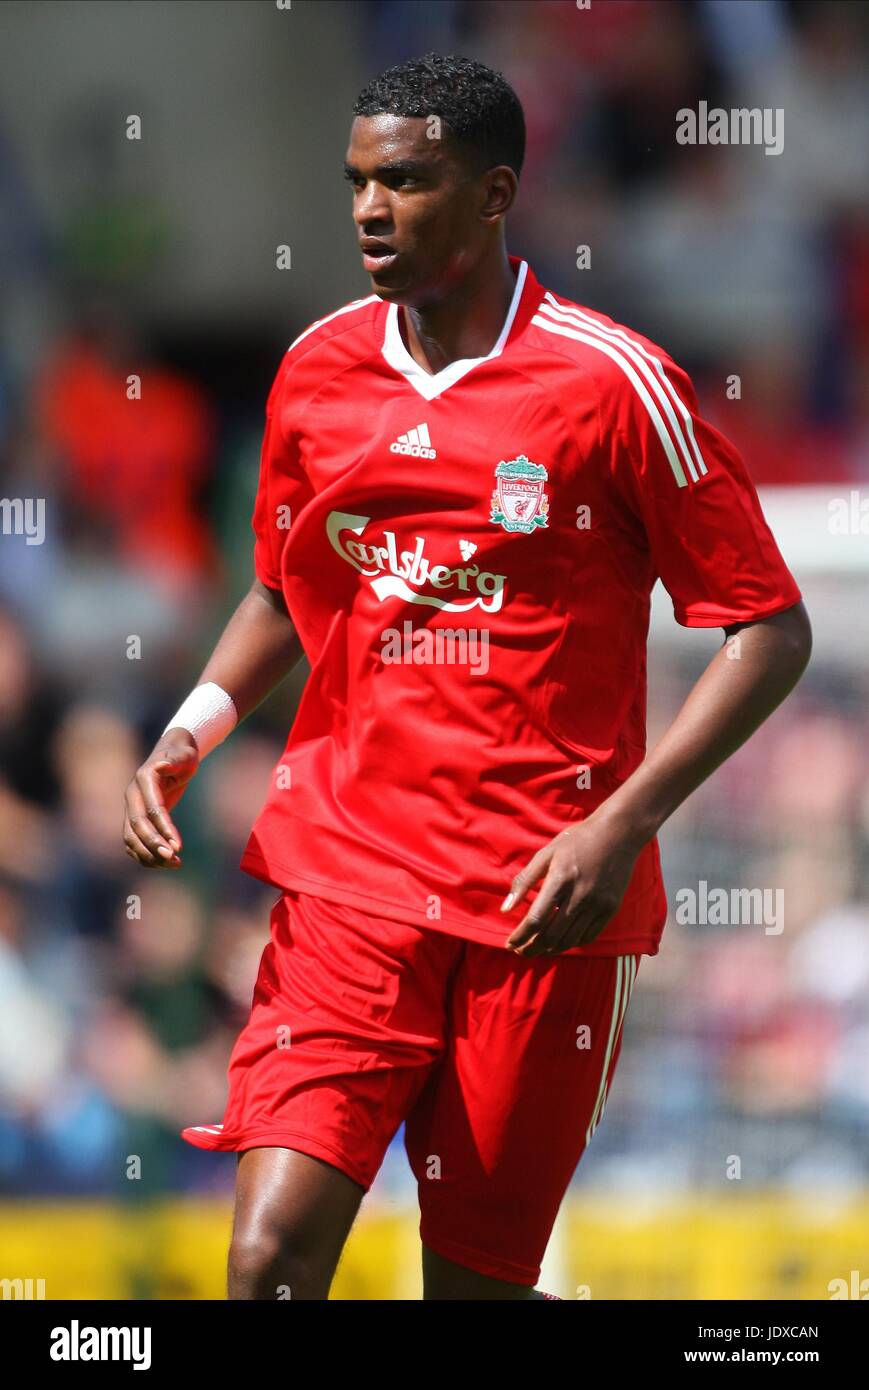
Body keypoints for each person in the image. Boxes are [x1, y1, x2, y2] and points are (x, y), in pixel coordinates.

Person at [122, 53, 812, 1300]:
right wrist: (197, 720)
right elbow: (288, 582)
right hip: (348, 883)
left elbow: (764, 625)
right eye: (355, 182)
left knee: (473, 1285)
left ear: (493, 195)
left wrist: (622, 823)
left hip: (542, 906)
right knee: (265, 1260)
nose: (369, 210)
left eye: (406, 180)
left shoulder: (613, 384)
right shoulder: (318, 370)